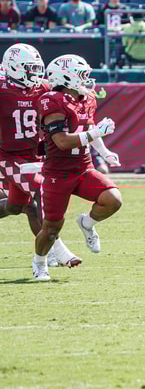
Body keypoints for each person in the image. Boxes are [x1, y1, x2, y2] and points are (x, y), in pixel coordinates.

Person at [34, 54, 123, 281]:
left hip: (83, 168)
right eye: (82, 75)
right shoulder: (51, 100)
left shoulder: (87, 98)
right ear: (66, 77)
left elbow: (89, 126)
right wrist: (95, 133)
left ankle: (87, 223)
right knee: (51, 228)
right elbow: (62, 141)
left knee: (113, 199)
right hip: (57, 173)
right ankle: (40, 262)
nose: (86, 79)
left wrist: (104, 152)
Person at [0, 44, 80, 271]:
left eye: (36, 68)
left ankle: (49, 247)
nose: (33, 74)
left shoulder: (43, 87)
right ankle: (58, 250)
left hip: (35, 154)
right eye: (28, 68)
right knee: (40, 191)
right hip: (8, 156)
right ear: (13, 67)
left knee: (17, 206)